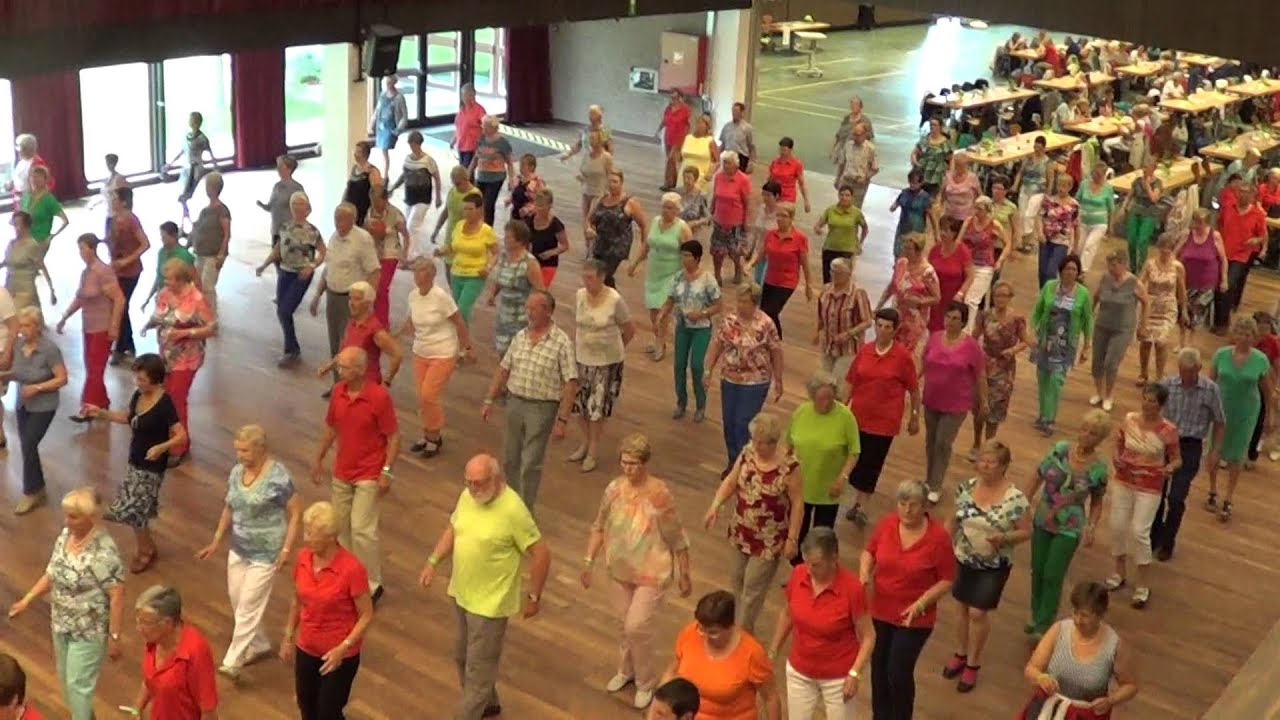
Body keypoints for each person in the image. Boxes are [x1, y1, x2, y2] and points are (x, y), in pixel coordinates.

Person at [419, 454, 551, 720]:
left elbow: (542, 553)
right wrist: (433, 561)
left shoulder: (513, 510)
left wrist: (534, 596)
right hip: (462, 592)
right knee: (462, 657)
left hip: (490, 604)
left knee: (477, 672)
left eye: (478, 483)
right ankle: (489, 704)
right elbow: (454, 528)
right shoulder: (468, 497)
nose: (472, 489)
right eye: (468, 482)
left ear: (496, 478)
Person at [582, 434, 692, 710]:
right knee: (623, 624)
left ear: (645, 463)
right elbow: (599, 525)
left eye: (632, 463)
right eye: (624, 462)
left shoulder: (659, 494)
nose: (627, 468)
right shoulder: (613, 489)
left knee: (637, 625)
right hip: (620, 568)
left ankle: (645, 681)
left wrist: (684, 572)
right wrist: (588, 561)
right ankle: (626, 670)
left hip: (652, 570)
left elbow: (676, 534)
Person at [7, 488, 124, 720]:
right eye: (66, 515)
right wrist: (27, 600)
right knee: (67, 682)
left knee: (78, 686)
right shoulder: (65, 537)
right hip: (61, 624)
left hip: (88, 631)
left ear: (91, 517)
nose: (66, 521)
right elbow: (52, 573)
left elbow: (117, 596)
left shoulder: (104, 552)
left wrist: (114, 637)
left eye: (73, 517)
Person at [195, 425, 301, 679]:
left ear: (260, 448)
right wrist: (216, 540)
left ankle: (232, 661)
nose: (239, 455)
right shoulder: (236, 472)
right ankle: (260, 643)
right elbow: (229, 507)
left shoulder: (278, 476)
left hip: (267, 552)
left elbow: (296, 512)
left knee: (248, 606)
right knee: (237, 600)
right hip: (239, 548)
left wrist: (286, 549)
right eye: (237, 450)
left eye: (244, 451)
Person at [860, 480, 955, 720]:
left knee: (898, 670)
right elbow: (869, 551)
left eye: (913, 505)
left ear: (925, 507)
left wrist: (921, 603)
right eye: (902, 504)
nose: (907, 510)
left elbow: (947, 579)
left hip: (915, 618)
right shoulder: (887, 524)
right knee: (879, 667)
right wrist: (864, 573)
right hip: (881, 609)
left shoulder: (938, 538)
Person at [311, 346, 399, 603]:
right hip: (343, 471)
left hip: (369, 473)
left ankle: (371, 584)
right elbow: (331, 428)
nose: (340, 371)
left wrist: (386, 471)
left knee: (362, 530)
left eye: (345, 367)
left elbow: (394, 437)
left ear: (361, 369)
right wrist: (319, 457)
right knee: (340, 528)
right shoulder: (338, 392)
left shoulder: (378, 397)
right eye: (339, 366)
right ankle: (350, 578)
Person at [942, 441, 1030, 692]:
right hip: (963, 557)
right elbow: (953, 520)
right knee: (961, 607)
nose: (985, 466)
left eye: (991, 462)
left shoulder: (1016, 499)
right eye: (982, 460)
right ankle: (961, 652)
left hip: (994, 564)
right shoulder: (966, 488)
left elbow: (1026, 532)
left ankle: (973, 662)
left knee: (978, 613)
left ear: (1004, 466)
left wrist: (1005, 538)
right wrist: (941, 545)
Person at [704, 413, 802, 634]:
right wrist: (715, 505)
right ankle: (743, 628)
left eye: (761, 443)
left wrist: (792, 539)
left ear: (773, 442)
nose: (756, 446)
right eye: (754, 440)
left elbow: (798, 504)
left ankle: (741, 634)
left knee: (752, 589)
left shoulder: (790, 466)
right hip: (740, 531)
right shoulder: (748, 452)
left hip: (769, 539)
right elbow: (731, 481)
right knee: (737, 581)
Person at [481, 290, 578, 509]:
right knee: (510, 459)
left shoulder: (561, 342)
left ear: (548, 311)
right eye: (528, 307)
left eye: (534, 308)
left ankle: (525, 510)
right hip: (515, 402)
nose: (529, 312)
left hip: (541, 408)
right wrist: (489, 399)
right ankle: (512, 504)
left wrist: (562, 420)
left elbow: (570, 382)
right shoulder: (520, 337)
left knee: (530, 463)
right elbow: (504, 369)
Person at [89, 353, 184, 573]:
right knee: (137, 511)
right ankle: (146, 547)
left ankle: (145, 550)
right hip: (135, 459)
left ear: (156, 380)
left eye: (142, 379)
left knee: (135, 510)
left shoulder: (164, 403)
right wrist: (101, 413)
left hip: (152, 467)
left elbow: (181, 435)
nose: (137, 382)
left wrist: (161, 447)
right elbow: (127, 417)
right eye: (136, 378)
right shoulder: (138, 395)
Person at [281, 501, 374, 720]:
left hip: (339, 655)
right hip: (307, 647)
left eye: (312, 534)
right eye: (306, 532)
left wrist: (343, 648)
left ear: (331, 537)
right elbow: (297, 599)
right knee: (306, 706)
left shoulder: (352, 569)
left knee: (328, 713)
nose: (305, 538)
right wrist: (288, 635)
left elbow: (367, 615)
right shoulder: (303, 558)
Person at [769, 527, 874, 720]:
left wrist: (855, 673)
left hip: (838, 678)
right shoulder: (798, 574)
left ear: (834, 558)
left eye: (816, 565)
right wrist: (773, 650)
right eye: (806, 562)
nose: (809, 570)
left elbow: (868, 636)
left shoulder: (852, 589)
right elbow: (788, 614)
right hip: (799, 671)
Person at [1025, 411, 1111, 639]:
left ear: (1100, 438)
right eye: (1084, 429)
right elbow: (1037, 475)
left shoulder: (1099, 469)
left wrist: (1091, 526)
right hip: (1043, 517)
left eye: (1093, 433)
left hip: (1070, 526)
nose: (1086, 435)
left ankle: (1043, 623)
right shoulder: (1060, 449)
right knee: (1038, 569)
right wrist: (1024, 503)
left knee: (1053, 574)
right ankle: (1035, 613)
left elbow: (1097, 501)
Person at [844, 308, 921, 526]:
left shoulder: (902, 357)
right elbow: (851, 381)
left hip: (884, 421)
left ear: (895, 330)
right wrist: (841, 408)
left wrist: (914, 416)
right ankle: (856, 500)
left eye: (887, 327)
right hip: (858, 417)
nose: (882, 330)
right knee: (857, 459)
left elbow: (914, 389)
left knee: (872, 462)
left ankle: (862, 505)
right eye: (879, 326)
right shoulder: (865, 351)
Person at [1108, 383, 1180, 608]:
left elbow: (1177, 458)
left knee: (1139, 531)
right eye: (1145, 399)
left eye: (1152, 401)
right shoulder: (1129, 419)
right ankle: (1119, 571)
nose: (1147, 404)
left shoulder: (1168, 430)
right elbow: (1118, 443)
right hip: (1124, 480)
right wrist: (1116, 457)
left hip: (1150, 485)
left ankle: (1143, 583)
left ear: (1161, 405)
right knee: (1117, 526)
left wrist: (1169, 468)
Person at [1020, 582, 1139, 718]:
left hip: (1085, 715)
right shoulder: (1059, 630)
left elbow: (1130, 685)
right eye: (1075, 612)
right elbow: (1031, 668)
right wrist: (1041, 678)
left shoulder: (1114, 645)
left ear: (1100, 615)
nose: (1078, 620)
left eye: (1085, 616)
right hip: (1047, 709)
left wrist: (1110, 701)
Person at [661, 591, 782, 720]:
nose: (705, 637)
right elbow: (672, 670)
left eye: (713, 633)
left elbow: (770, 698)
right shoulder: (690, 633)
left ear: (730, 627)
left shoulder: (752, 652)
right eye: (701, 629)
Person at [1151, 347, 1224, 560]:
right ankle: (1154, 535)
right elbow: (1152, 411)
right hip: (1165, 442)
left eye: (1191, 372)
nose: (1187, 376)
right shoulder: (1167, 385)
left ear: (1199, 368)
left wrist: (1215, 450)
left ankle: (1168, 541)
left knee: (1176, 497)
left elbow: (1220, 421)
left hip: (1191, 445)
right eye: (1183, 371)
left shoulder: (1210, 390)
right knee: (1156, 492)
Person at [705, 283, 784, 474]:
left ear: (754, 303)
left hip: (756, 381)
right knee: (729, 423)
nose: (740, 305)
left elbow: (776, 351)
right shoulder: (729, 320)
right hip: (730, 379)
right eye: (739, 301)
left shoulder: (766, 324)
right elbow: (717, 345)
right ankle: (734, 460)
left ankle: (745, 465)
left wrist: (779, 380)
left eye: (745, 302)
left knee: (743, 423)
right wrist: (708, 371)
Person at [143, 259, 215, 467]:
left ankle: (179, 446)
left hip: (187, 358)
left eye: (170, 279)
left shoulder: (196, 299)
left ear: (182, 279)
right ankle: (168, 438)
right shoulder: (165, 294)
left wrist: (185, 333)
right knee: (165, 397)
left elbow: (211, 328)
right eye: (165, 278)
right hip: (166, 355)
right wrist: (149, 324)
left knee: (176, 400)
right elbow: (160, 315)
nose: (166, 282)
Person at [1205, 316, 1275, 521]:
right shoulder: (1221, 355)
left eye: (1248, 334)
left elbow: (1268, 392)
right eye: (1240, 333)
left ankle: (1228, 498)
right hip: (1221, 408)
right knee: (1214, 449)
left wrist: (1269, 416)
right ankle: (1212, 490)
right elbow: (1210, 384)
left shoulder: (1260, 360)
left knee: (1237, 454)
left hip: (1246, 411)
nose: (1244, 338)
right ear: (1233, 334)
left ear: (1254, 337)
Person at [785, 373, 860, 564]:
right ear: (812, 397)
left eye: (829, 398)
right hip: (801, 486)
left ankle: (818, 570)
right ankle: (799, 571)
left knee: (822, 538)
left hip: (829, 489)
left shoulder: (845, 417)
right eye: (820, 399)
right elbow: (788, 445)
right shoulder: (801, 412)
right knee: (798, 533)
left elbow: (854, 452)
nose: (826, 403)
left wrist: (842, 478)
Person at [401, 259, 472, 458]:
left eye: (421, 271)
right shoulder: (413, 296)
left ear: (432, 275)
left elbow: (459, 321)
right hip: (421, 351)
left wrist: (466, 347)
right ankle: (428, 434)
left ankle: (433, 438)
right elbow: (410, 321)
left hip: (443, 351)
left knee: (429, 395)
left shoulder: (441, 297)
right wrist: (393, 336)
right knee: (423, 398)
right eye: (415, 271)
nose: (417, 275)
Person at [571, 260, 636, 472]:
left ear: (601, 277)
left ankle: (593, 451)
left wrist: (616, 350)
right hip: (582, 357)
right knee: (579, 405)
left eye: (590, 277)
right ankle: (584, 442)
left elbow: (629, 329)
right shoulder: (580, 295)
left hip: (606, 362)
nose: (586, 281)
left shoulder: (614, 300)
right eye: (584, 277)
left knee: (596, 408)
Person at [921, 302, 989, 505]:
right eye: (948, 317)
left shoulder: (971, 346)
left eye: (955, 318)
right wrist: (913, 383)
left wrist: (983, 401)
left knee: (943, 442)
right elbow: (923, 361)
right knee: (931, 441)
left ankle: (936, 484)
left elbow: (980, 375)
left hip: (956, 403)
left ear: (963, 322)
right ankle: (929, 479)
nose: (950, 322)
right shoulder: (934, 338)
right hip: (932, 397)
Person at [56, 234, 123, 422]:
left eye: (82, 248)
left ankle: (87, 407)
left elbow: (119, 299)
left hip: (103, 326)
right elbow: (80, 298)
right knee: (92, 366)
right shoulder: (86, 273)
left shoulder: (103, 271)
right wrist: (65, 317)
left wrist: (114, 326)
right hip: (89, 326)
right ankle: (101, 402)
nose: (80, 253)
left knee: (95, 368)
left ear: (92, 249)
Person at [312, 203, 381, 385]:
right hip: (332, 296)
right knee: (335, 343)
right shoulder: (334, 238)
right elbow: (328, 268)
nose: (338, 223)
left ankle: (353, 385)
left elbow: (374, 271)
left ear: (353, 220)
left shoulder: (362, 240)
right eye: (336, 218)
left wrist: (367, 302)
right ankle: (338, 386)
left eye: (342, 219)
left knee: (351, 345)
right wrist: (317, 295)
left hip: (351, 300)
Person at [10, 307, 68, 514]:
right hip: (23, 404)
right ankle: (37, 487)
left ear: (38, 326)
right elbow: (17, 372)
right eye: (20, 326)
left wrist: (37, 388)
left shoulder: (49, 349)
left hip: (44, 405)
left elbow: (62, 378)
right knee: (28, 446)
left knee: (28, 443)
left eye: (27, 326)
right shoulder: (18, 345)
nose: (22, 330)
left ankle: (30, 492)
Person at [129, 585, 219, 720]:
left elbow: (208, 711)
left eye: (145, 623)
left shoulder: (196, 651)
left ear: (167, 623)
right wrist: (137, 709)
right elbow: (151, 678)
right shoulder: (154, 641)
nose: (138, 628)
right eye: (138, 621)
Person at [258, 191, 326, 366]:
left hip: (302, 274)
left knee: (285, 310)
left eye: (300, 204)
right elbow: (278, 249)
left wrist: (312, 266)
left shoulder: (312, 231)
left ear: (307, 208)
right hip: (285, 272)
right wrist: (264, 265)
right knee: (281, 310)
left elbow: (323, 252)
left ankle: (291, 350)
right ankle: (293, 348)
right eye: (294, 204)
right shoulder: (285, 227)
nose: (297, 207)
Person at [657, 240, 721, 422]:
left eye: (688, 256)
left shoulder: (707, 279)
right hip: (683, 327)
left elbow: (718, 305)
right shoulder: (678, 277)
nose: (684, 259)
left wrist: (702, 313)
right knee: (679, 365)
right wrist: (662, 313)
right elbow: (670, 299)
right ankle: (681, 402)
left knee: (697, 365)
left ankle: (700, 404)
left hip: (701, 328)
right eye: (682, 255)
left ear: (697, 258)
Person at [1031, 255, 1093, 437]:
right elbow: (1038, 310)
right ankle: (1042, 415)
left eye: (1074, 269)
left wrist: (1087, 345)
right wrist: (1031, 330)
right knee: (1043, 377)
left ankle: (1050, 419)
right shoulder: (1050, 286)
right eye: (1067, 268)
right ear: (1061, 270)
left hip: (1065, 344)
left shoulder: (1083, 293)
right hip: (1045, 340)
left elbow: (1088, 320)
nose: (1070, 272)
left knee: (1056, 381)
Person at [971, 281, 1032, 454]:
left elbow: (1026, 341)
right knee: (980, 406)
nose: (1000, 299)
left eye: (1004, 295)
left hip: (1004, 368)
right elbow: (974, 336)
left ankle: (988, 445)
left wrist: (1013, 350)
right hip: (985, 364)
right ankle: (976, 442)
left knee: (996, 409)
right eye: (997, 295)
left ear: (1010, 297)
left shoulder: (1017, 319)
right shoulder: (985, 316)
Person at [632, 192, 691, 361]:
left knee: (662, 311)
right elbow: (647, 245)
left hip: (672, 274)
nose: (666, 211)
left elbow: (689, 253)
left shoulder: (682, 228)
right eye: (664, 207)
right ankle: (659, 337)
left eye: (670, 208)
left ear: (677, 210)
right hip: (654, 272)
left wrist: (688, 276)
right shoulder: (655, 221)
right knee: (653, 310)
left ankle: (660, 343)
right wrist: (635, 263)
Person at [1089, 250, 1147, 411]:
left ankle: (1109, 395)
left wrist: (1143, 324)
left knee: (1111, 363)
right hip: (1102, 325)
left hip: (1122, 329)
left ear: (1123, 264)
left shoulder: (1134, 282)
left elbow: (1146, 302)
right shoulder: (1105, 278)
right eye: (1109, 265)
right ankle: (1098, 393)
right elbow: (1096, 296)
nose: (1111, 268)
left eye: (1114, 265)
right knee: (1097, 361)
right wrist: (1089, 314)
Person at [751, 202, 814, 338]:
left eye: (784, 216)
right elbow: (761, 254)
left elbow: (805, 263)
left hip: (787, 282)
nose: (780, 219)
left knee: (770, 312)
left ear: (791, 218)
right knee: (765, 312)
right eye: (778, 215)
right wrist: (749, 265)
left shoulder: (800, 238)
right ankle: (774, 339)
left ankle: (774, 340)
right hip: (770, 278)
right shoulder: (771, 235)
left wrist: (809, 285)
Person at [485, 221, 544, 358]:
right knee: (502, 352)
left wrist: (536, 315)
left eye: (508, 237)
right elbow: (501, 278)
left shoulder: (529, 263)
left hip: (522, 316)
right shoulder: (503, 256)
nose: (504, 239)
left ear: (520, 241)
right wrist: (493, 294)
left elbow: (541, 291)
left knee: (518, 354)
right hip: (504, 314)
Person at [437, 194, 498, 326]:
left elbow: (496, 253)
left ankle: (462, 336)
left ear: (479, 210)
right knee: (455, 308)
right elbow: (452, 246)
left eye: (470, 209)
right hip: (457, 272)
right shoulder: (459, 226)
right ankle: (458, 334)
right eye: (465, 209)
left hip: (475, 274)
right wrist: (441, 251)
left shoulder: (486, 230)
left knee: (463, 308)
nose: (467, 212)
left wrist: (488, 267)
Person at [105, 186, 149, 365]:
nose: (112, 201)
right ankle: (127, 343)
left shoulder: (131, 220)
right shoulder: (112, 219)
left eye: (115, 198)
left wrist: (127, 260)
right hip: (117, 270)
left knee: (120, 305)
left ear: (123, 202)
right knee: (119, 306)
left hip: (130, 271)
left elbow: (145, 244)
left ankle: (120, 348)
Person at [876, 234, 940, 358]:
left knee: (904, 352)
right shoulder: (901, 263)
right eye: (904, 247)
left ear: (918, 251)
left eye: (908, 248)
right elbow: (891, 286)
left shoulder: (927, 271)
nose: (904, 250)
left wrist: (919, 301)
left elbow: (936, 297)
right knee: (889, 347)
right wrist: (879, 306)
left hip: (914, 318)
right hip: (897, 312)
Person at [1215, 185, 1267, 330]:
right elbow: (1219, 224)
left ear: (1252, 197)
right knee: (1218, 286)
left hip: (1241, 255)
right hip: (1224, 251)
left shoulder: (1257, 214)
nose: (1243, 195)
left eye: (1247, 193)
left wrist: (1255, 240)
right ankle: (1217, 320)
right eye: (1241, 192)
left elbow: (1262, 235)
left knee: (1228, 284)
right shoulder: (1228, 208)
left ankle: (1222, 323)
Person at [1135, 236, 1186, 385]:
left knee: (1161, 342)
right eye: (1162, 248)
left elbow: (1181, 290)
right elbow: (1140, 282)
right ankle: (1143, 373)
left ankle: (1159, 376)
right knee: (1145, 341)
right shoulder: (1150, 264)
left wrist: (1184, 310)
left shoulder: (1178, 267)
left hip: (1167, 308)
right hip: (1150, 307)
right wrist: (1139, 297)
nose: (1165, 251)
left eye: (1168, 248)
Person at [587, 170, 648, 289]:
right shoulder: (602, 199)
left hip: (617, 246)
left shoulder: (629, 202)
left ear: (621, 182)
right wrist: (589, 228)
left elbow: (643, 225)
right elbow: (590, 219)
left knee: (603, 276)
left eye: (615, 182)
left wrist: (643, 247)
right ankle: (612, 296)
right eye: (609, 181)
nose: (612, 185)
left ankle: (611, 297)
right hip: (601, 243)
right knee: (598, 276)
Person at [814, 257, 871, 379]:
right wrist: (817, 332)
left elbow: (867, 321)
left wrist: (849, 334)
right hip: (828, 346)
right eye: (832, 271)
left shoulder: (858, 294)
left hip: (848, 350)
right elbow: (820, 314)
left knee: (838, 382)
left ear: (848, 274)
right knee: (825, 381)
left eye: (838, 273)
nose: (833, 275)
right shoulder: (825, 290)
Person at [1177, 209, 1227, 345]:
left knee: (1198, 313)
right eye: (1195, 221)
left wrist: (1224, 280)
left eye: (1200, 222)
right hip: (1186, 281)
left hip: (1206, 282)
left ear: (1207, 223)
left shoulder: (1215, 236)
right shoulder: (1187, 234)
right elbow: (1176, 254)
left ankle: (1191, 342)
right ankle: (1182, 341)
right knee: (1183, 311)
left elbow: (1223, 259)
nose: (1197, 225)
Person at [365, 186, 411, 327]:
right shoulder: (370, 211)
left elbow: (406, 235)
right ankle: (371, 319)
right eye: (372, 201)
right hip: (373, 254)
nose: (374, 205)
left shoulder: (395, 214)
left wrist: (404, 255)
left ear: (385, 199)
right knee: (371, 288)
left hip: (390, 254)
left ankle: (383, 324)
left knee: (381, 288)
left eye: (377, 201)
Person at [389, 130, 443, 250]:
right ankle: (412, 250)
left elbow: (437, 178)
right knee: (407, 226)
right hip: (410, 196)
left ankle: (410, 253)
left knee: (412, 226)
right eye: (410, 144)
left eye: (413, 144)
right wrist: (393, 188)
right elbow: (404, 176)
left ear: (419, 144)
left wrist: (438, 197)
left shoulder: (428, 160)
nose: (412, 147)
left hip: (423, 197)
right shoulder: (407, 159)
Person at [187, 172, 231, 312]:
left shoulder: (222, 210)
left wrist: (221, 254)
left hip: (213, 254)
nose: (207, 189)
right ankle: (200, 312)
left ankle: (211, 314)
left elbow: (227, 233)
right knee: (196, 284)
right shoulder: (204, 211)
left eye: (209, 186)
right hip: (200, 253)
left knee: (207, 286)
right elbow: (197, 229)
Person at [708, 152, 753, 288]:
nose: (725, 165)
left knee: (735, 251)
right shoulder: (719, 176)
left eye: (728, 162)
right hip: (719, 220)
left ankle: (738, 268)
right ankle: (717, 274)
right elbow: (715, 195)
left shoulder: (743, 179)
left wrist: (746, 221)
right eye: (724, 162)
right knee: (717, 251)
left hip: (735, 222)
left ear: (735, 164)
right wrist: (711, 211)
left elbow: (747, 202)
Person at [164, 111, 213, 223]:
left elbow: (210, 152)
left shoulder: (202, 138)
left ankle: (187, 217)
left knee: (185, 195)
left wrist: (216, 167)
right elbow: (182, 151)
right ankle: (186, 217)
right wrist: (170, 164)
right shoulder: (187, 136)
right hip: (186, 169)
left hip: (195, 169)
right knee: (183, 194)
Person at [814, 185, 869, 283]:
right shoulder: (830, 210)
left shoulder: (856, 213)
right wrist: (819, 230)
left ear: (851, 197)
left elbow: (865, 228)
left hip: (847, 251)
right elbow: (818, 225)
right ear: (838, 195)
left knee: (843, 281)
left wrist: (860, 244)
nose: (844, 197)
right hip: (830, 248)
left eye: (847, 195)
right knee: (827, 280)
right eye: (842, 195)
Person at [927, 218, 974, 334]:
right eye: (941, 229)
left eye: (946, 230)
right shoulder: (935, 249)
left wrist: (961, 293)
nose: (942, 233)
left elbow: (970, 276)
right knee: (934, 329)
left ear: (954, 233)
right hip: (936, 297)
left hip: (953, 297)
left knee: (949, 329)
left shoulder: (963, 251)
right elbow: (927, 270)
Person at [255, 154, 305, 258]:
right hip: (276, 229)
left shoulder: (296, 188)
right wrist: (262, 205)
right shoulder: (276, 186)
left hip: (289, 231)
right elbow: (271, 207)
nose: (278, 169)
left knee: (288, 259)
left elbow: (305, 209)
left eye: (281, 166)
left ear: (289, 169)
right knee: (276, 259)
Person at [1037, 174, 1082, 288]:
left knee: (1051, 272)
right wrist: (1040, 233)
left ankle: (1050, 292)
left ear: (1070, 187)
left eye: (1064, 185)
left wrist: (1075, 246)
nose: (1061, 188)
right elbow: (1040, 217)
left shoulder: (1074, 205)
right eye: (1059, 185)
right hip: (1046, 239)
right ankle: (1043, 293)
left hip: (1062, 242)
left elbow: (1076, 226)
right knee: (1042, 271)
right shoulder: (1048, 200)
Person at [469, 116, 515, 226]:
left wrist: (511, 179)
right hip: (481, 176)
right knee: (478, 203)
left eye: (485, 126)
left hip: (496, 178)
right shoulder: (481, 139)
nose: (483, 128)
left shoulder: (502, 142)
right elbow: (476, 157)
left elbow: (509, 162)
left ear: (493, 128)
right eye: (483, 126)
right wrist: (469, 171)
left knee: (489, 204)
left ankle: (488, 228)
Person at [4, 212, 54, 311]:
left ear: (26, 226)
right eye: (14, 224)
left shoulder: (31, 245)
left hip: (25, 290)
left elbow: (42, 266)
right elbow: (6, 261)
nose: (16, 228)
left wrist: (51, 290)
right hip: (10, 286)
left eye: (19, 224)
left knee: (23, 316)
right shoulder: (11, 244)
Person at [140, 222, 195, 312]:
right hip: (162, 297)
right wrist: (148, 299)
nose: (162, 239)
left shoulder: (185, 255)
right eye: (161, 237)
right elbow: (159, 278)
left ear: (174, 235)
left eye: (164, 237)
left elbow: (193, 280)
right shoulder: (161, 252)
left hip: (178, 300)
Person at [576, 129, 615, 256]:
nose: (591, 141)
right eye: (590, 139)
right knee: (584, 220)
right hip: (586, 190)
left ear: (600, 141)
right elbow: (582, 169)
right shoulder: (586, 155)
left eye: (593, 139)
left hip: (599, 192)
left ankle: (594, 247)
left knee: (590, 219)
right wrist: (581, 177)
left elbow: (610, 174)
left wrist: (610, 192)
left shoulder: (606, 157)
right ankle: (588, 247)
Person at [1012, 135, 1052, 252]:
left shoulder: (1048, 162)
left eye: (1039, 147)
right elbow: (1020, 172)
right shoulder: (1028, 158)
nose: (1037, 149)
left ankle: (1028, 240)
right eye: (1035, 147)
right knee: (1022, 215)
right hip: (1025, 188)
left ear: (1044, 148)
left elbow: (1050, 180)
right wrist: (1015, 185)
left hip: (1039, 191)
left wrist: (1047, 195)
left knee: (1029, 214)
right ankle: (1024, 239)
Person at [1122, 159, 1163, 272]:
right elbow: (1130, 196)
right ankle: (1132, 266)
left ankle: (1141, 267)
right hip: (1135, 211)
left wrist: (1148, 185)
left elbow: (1154, 199)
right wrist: (1124, 207)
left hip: (1149, 213)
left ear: (1153, 169)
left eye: (1147, 167)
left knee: (1142, 240)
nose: (1145, 169)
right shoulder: (1137, 181)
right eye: (1144, 167)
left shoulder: (1157, 183)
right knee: (1131, 240)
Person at [1076, 161, 1115, 271]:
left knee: (1089, 246)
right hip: (1082, 221)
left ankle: (1083, 270)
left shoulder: (1108, 188)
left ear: (1104, 175)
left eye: (1099, 174)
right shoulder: (1084, 184)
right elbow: (1077, 200)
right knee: (1079, 247)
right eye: (1094, 173)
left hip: (1099, 224)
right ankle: (1076, 268)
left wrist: (1111, 226)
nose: (1095, 176)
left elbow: (1111, 209)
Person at [526, 188, 569, 287]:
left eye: (542, 206)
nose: (539, 209)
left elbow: (565, 245)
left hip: (549, 264)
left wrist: (550, 253)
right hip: (532, 261)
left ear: (550, 206)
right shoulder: (529, 221)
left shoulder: (556, 224)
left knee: (541, 289)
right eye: (537, 205)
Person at [21, 168, 67, 258]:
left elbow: (65, 221)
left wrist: (51, 236)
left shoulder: (48, 199)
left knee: (33, 264)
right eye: (33, 177)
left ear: (45, 180)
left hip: (40, 240)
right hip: (25, 238)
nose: (35, 180)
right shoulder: (26, 196)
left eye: (38, 177)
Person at [890, 170, 935, 258]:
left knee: (912, 253)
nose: (912, 185)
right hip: (903, 227)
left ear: (921, 183)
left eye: (915, 183)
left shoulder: (925, 197)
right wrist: (894, 206)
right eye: (910, 182)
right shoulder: (904, 192)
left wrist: (935, 231)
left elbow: (931, 215)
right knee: (898, 251)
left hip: (916, 230)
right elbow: (896, 203)